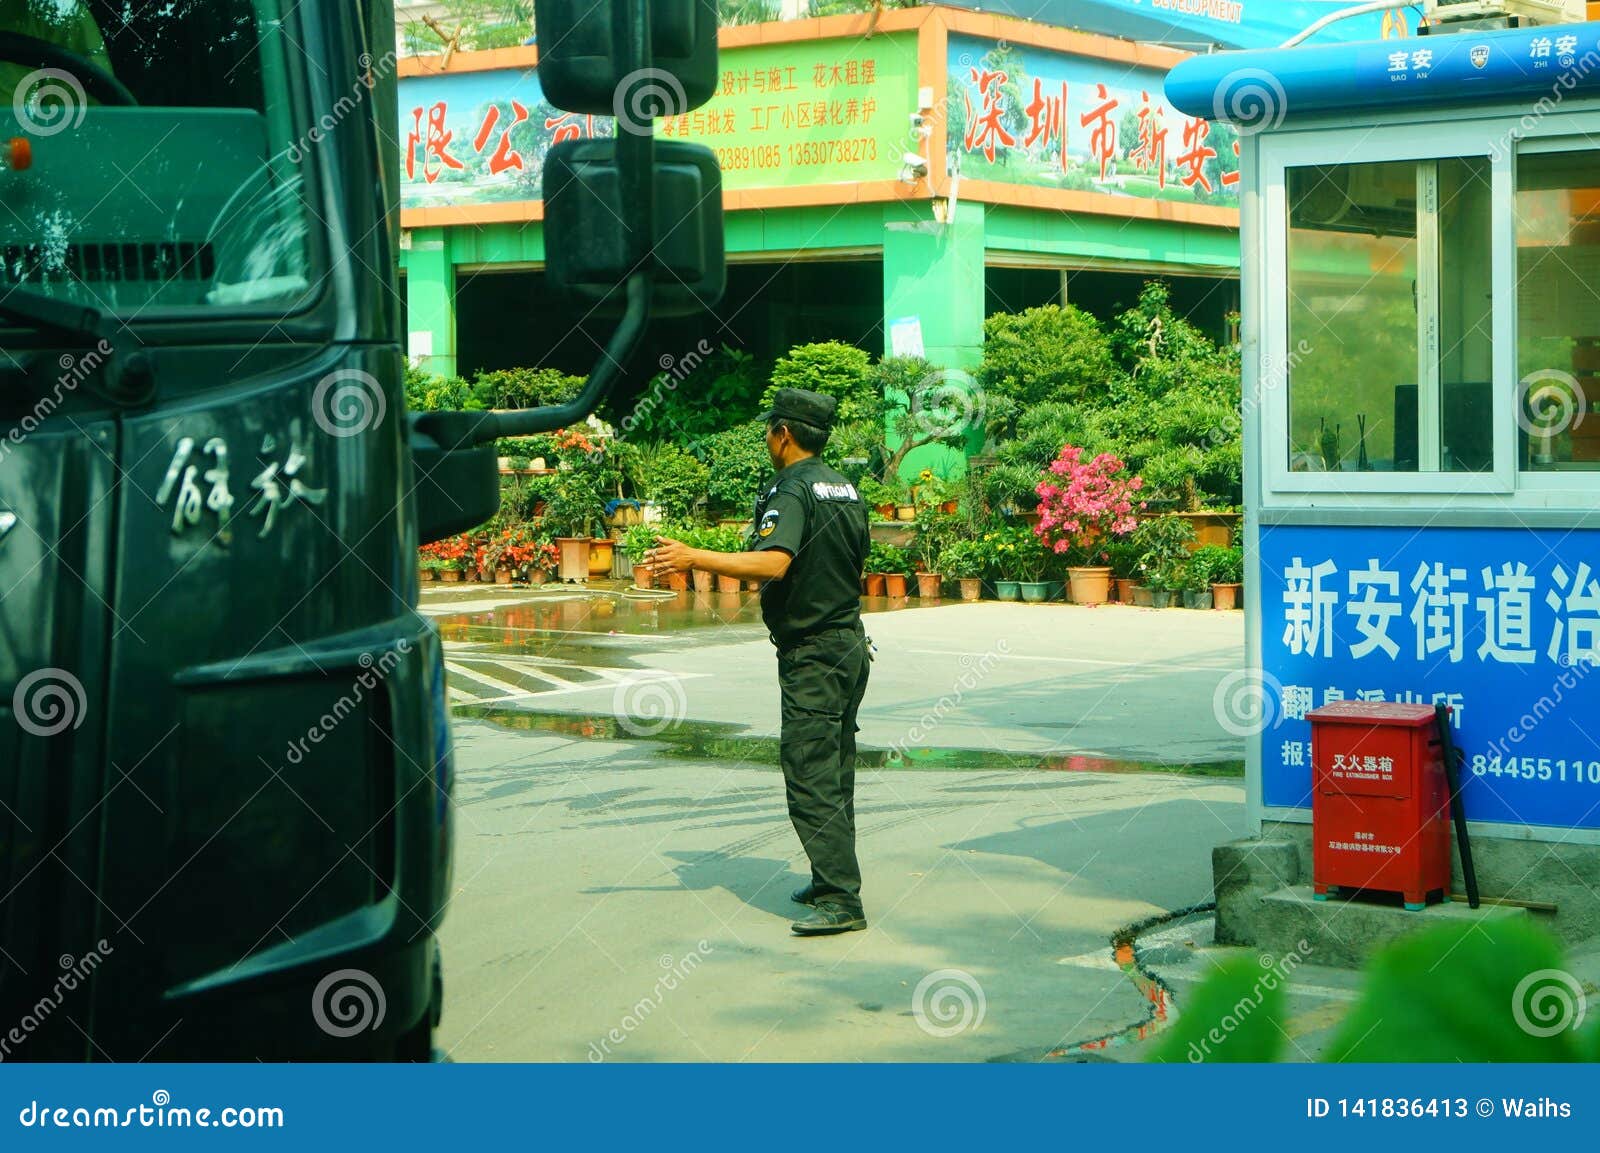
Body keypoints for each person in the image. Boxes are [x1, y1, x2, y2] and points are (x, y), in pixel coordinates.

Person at [646, 388, 872, 936]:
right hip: (848, 645)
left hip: (814, 655)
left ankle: (842, 900)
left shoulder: (791, 489)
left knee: (810, 772)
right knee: (834, 771)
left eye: (768, 430)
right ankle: (828, 879)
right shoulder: (843, 486)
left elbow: (774, 561)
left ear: (784, 434)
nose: (767, 439)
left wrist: (692, 555)